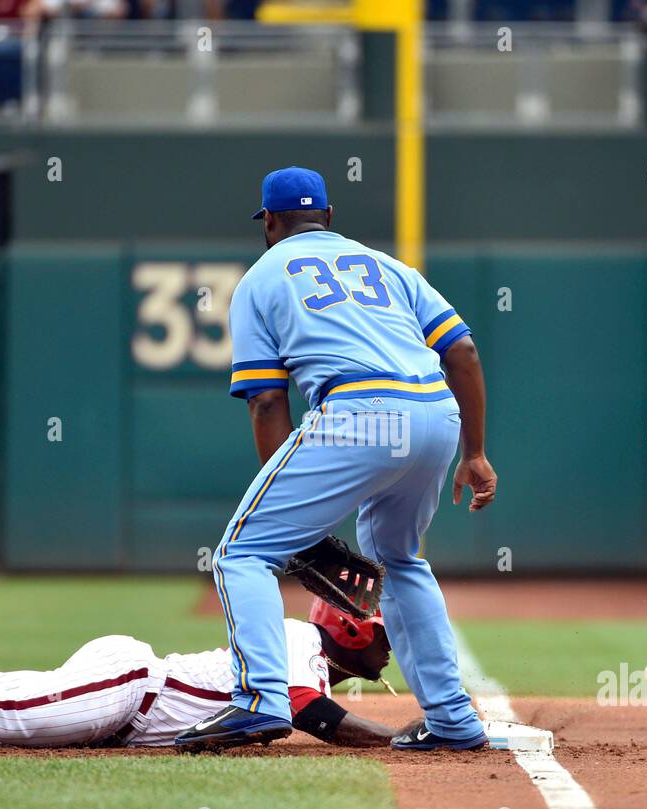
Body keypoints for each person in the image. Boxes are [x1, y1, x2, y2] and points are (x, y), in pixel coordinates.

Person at [174, 166, 497, 752]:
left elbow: (268, 400)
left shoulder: (259, 279)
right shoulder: (388, 266)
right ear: (329, 216)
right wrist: (473, 453)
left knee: (241, 554)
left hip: (360, 413)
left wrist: (293, 526)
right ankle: (452, 720)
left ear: (269, 222)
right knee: (398, 560)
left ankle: (259, 703)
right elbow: (464, 350)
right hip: (436, 414)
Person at [0, 595, 403, 749]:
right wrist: (400, 739)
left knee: (2, 706)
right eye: (381, 628)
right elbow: (310, 714)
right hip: (133, 689)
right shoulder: (296, 636)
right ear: (347, 626)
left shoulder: (308, 654)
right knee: (6, 711)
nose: (389, 643)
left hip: (126, 704)